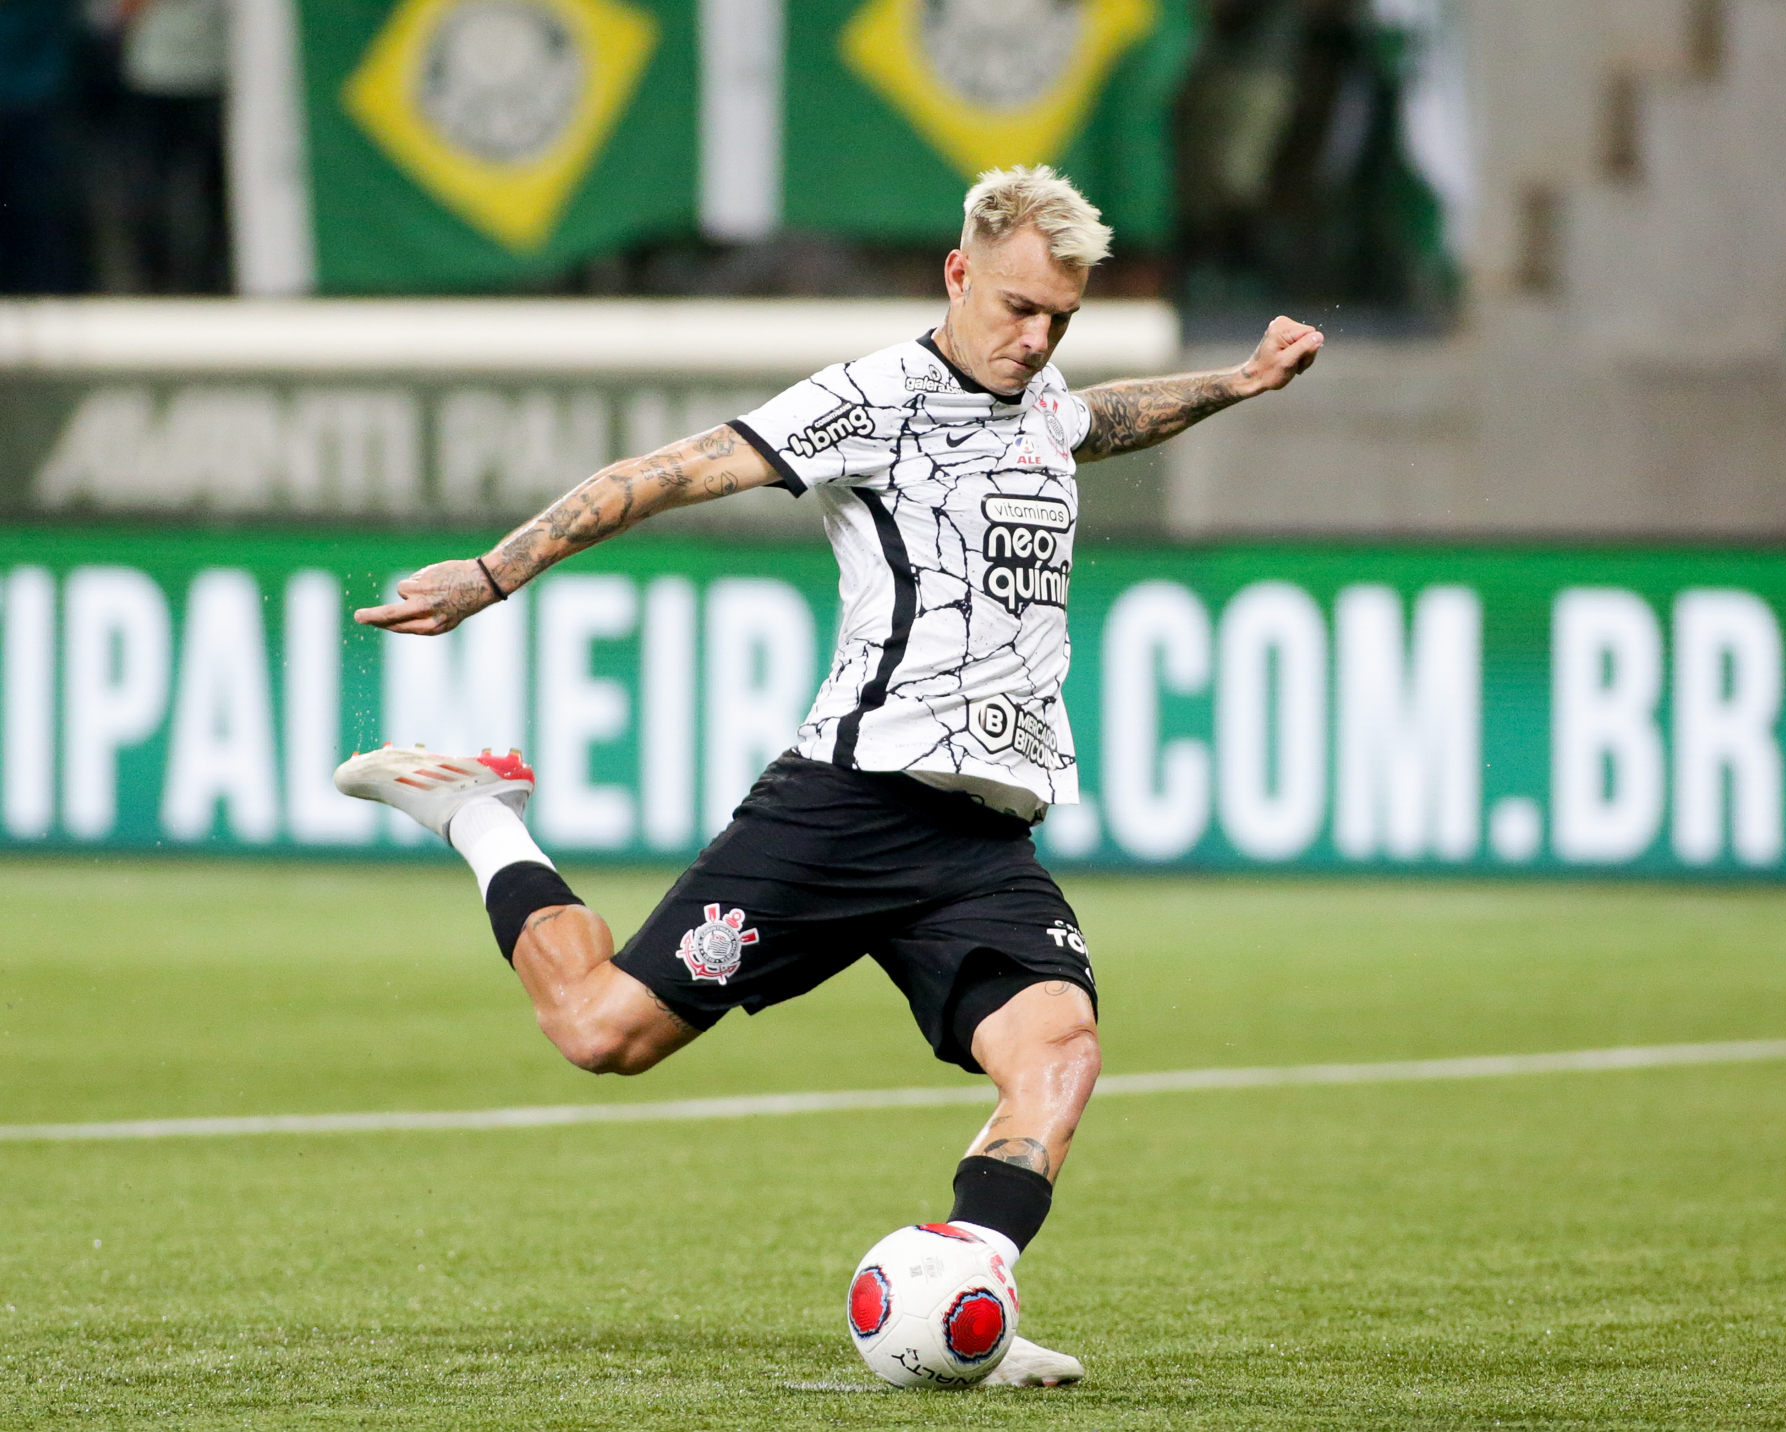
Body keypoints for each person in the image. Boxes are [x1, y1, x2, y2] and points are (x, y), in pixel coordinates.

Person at [336, 165, 1321, 1387]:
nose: (1036, 337)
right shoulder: (871, 398)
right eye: (1017, 307)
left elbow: (1105, 416)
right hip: (846, 806)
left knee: (1059, 1046)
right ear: (956, 273)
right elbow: (668, 471)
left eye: (1059, 319)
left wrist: (1236, 381)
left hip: (976, 839)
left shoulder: (1041, 394)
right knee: (601, 1033)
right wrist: (495, 571)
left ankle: (971, 1282)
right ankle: (473, 812)